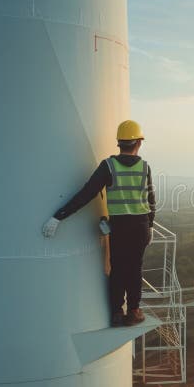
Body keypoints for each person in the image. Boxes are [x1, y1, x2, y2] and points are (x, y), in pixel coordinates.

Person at [42, 120, 156, 327]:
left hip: (120, 227)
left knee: (119, 269)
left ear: (119, 143)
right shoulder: (145, 167)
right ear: (139, 142)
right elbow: (151, 200)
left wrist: (59, 216)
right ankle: (134, 312)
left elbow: (87, 194)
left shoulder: (108, 166)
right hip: (140, 226)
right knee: (134, 269)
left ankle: (116, 313)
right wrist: (150, 226)